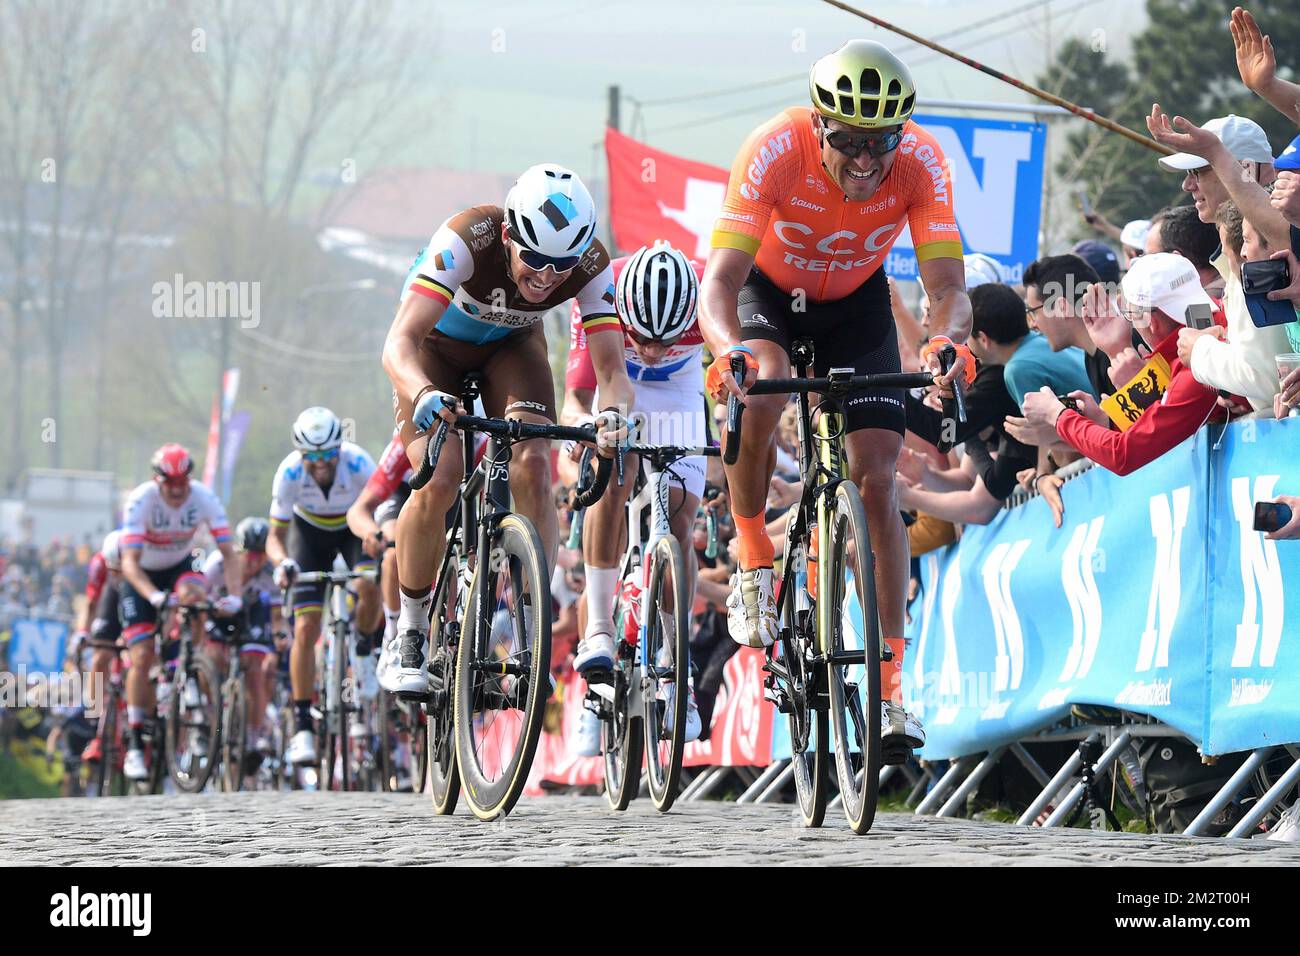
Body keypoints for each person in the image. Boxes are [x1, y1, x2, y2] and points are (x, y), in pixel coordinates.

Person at [698, 39, 973, 760]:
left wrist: (948, 342)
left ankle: (889, 695)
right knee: (759, 391)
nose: (865, 158)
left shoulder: (921, 163)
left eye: (880, 141)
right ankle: (755, 553)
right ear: (820, 128)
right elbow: (719, 283)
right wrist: (728, 348)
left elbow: (948, 289)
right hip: (767, 298)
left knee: (877, 481)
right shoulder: (774, 150)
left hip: (857, 308)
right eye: (848, 139)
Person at [381, 163, 634, 697]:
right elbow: (399, 343)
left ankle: (530, 625)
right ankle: (409, 629)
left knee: (534, 461)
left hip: (511, 350)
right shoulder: (467, 238)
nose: (545, 278)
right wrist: (424, 393)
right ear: (507, 234)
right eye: (534, 259)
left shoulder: (590, 263)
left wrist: (612, 418)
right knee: (441, 478)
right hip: (433, 352)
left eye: (560, 267)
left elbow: (612, 371)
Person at [560, 241, 706, 743]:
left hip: (680, 392)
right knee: (613, 480)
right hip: (616, 385)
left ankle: (677, 670)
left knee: (681, 516)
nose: (653, 349)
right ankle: (599, 627)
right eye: (642, 337)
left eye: (668, 339)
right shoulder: (600, 294)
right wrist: (584, 428)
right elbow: (575, 398)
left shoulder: (712, 290)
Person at [1020, 254, 1220, 476]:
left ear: (1151, 323)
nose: (1129, 323)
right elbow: (1159, 423)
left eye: (1130, 314)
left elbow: (1124, 454)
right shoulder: (1218, 319)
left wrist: (1057, 415)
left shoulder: (1194, 369)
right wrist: (1106, 420)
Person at [1147, 108, 1291, 411]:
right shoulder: (1244, 252)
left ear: (1245, 168)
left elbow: (1266, 378)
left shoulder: (1262, 253)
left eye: (1199, 170)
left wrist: (1200, 351)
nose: (1188, 185)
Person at [118, 444, 242, 780]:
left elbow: (229, 552)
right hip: (142, 575)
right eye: (169, 482)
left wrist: (234, 598)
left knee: (194, 597)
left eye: (182, 482)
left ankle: (189, 661)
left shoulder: (202, 497)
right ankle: (133, 741)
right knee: (142, 657)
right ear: (156, 479)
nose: (176, 489)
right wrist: (154, 597)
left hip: (179, 567)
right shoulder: (142, 500)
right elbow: (128, 563)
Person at [265, 406, 380, 765]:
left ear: (340, 447)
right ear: (301, 454)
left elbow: (380, 508)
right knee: (305, 626)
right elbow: (275, 536)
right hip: (308, 536)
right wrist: (282, 562)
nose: (321, 462)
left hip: (351, 529)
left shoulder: (359, 464)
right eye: (312, 456)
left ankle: (362, 648)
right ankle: (302, 728)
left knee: (369, 584)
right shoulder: (288, 473)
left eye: (328, 453)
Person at [202, 517, 280, 756]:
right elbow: (198, 601)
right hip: (217, 611)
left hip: (250, 614)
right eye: (249, 554)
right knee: (212, 657)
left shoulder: (270, 573)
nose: (254, 562)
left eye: (261, 555)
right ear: (238, 550)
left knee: (255, 669)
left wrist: (280, 635)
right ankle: (210, 708)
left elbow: (277, 614)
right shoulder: (216, 566)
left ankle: (254, 734)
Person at [75, 530, 121, 764]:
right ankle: (95, 721)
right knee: (101, 655)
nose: (117, 574)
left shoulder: (144, 558)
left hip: (138, 597)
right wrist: (83, 632)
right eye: (114, 569)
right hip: (110, 602)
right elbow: (91, 602)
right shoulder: (99, 564)